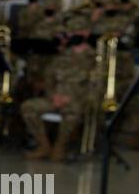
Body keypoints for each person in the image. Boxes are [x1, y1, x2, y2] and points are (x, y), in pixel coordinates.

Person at [20, 31, 96, 160]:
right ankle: (43, 145)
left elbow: (95, 86)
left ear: (86, 33)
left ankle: (60, 147)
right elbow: (49, 79)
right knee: (28, 107)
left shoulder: (94, 58)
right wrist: (53, 96)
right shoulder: (62, 55)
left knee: (73, 113)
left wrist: (71, 98)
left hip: (77, 101)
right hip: (55, 98)